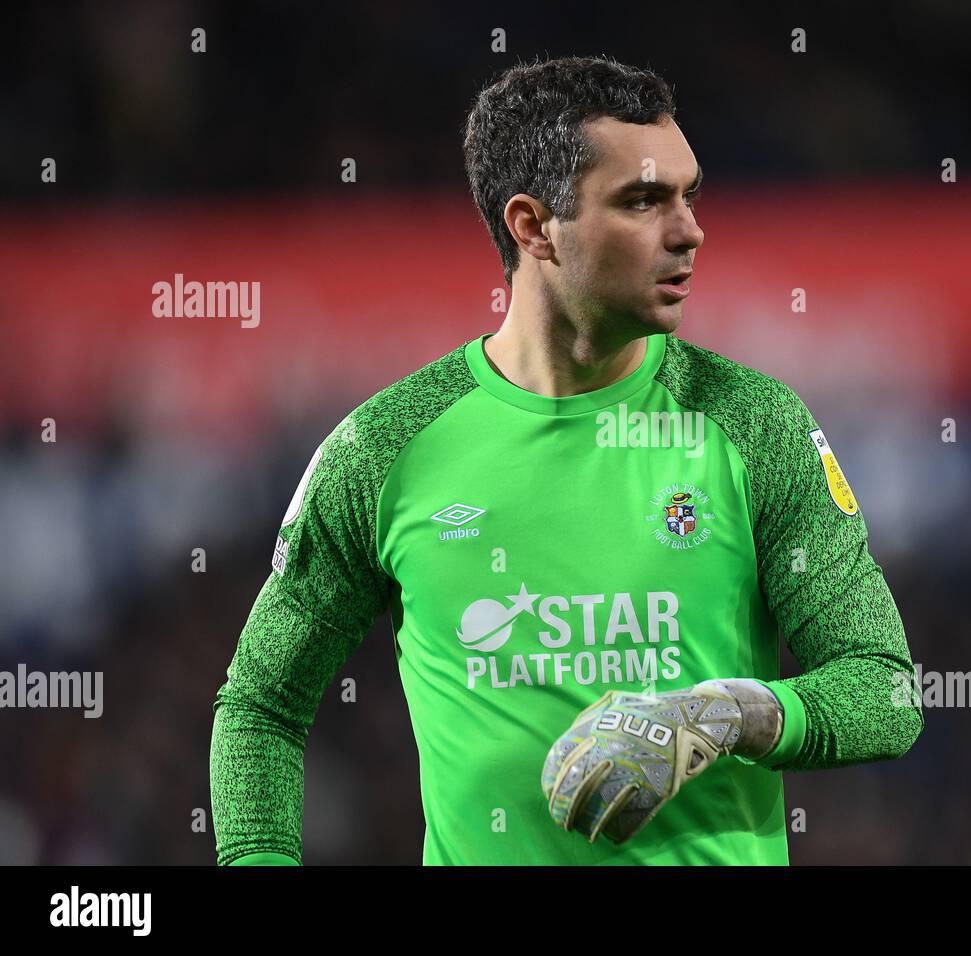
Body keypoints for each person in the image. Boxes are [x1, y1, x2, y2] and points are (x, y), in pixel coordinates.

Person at [210, 53, 922, 866]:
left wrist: (718, 714)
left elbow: (887, 692)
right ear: (534, 225)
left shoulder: (751, 424)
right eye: (644, 200)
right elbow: (262, 708)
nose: (689, 229)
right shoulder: (386, 449)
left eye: (690, 195)